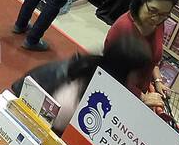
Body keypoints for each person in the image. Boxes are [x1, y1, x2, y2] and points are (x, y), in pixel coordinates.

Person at [12, 36, 156, 132]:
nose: (138, 79)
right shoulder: (85, 92)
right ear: (123, 71)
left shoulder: (93, 67)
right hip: (40, 126)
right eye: (137, 73)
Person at [102, 0, 178, 107]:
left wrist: (158, 81)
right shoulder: (123, 28)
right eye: (152, 10)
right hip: (114, 99)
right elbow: (112, 74)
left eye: (164, 15)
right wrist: (142, 98)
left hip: (139, 98)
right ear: (142, 0)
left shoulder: (158, 24)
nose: (156, 19)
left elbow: (152, 60)